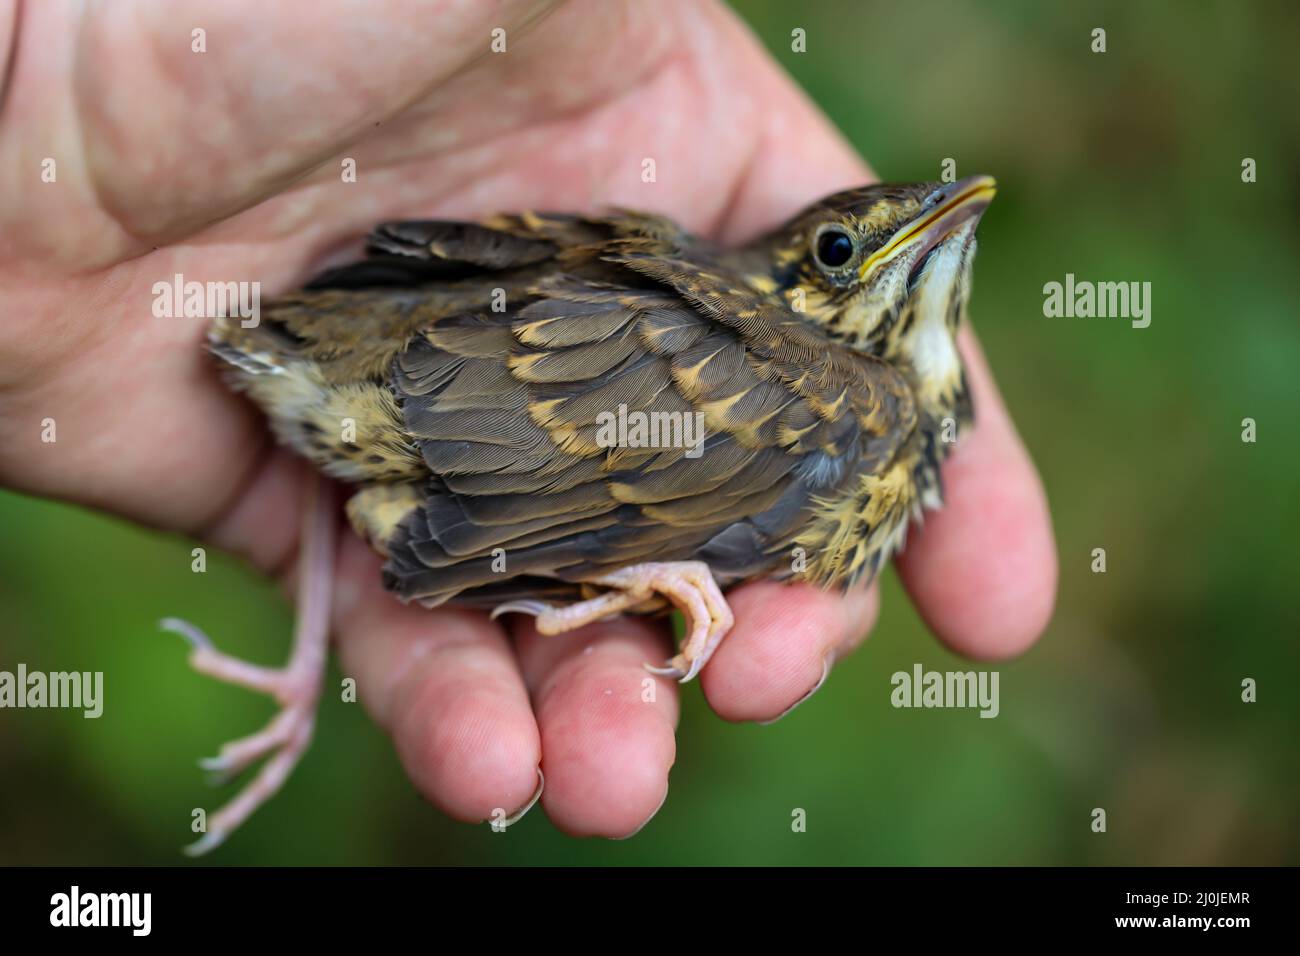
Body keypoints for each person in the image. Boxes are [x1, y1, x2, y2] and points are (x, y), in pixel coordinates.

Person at [0, 0, 1056, 839]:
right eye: (839, 250)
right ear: (787, 271)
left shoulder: (834, 379)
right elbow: (560, 481)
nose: (890, 253)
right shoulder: (848, 396)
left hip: (393, 378)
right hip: (411, 402)